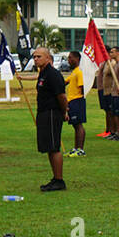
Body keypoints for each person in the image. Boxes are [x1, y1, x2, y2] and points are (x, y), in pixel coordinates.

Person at [34, 47, 67, 191]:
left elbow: (62, 96)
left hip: (52, 113)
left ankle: (59, 180)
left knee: (54, 147)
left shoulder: (53, 75)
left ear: (48, 58)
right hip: (43, 113)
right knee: (48, 146)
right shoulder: (43, 73)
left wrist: (64, 111)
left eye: (39, 56)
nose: (36, 59)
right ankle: (55, 178)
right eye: (34, 57)